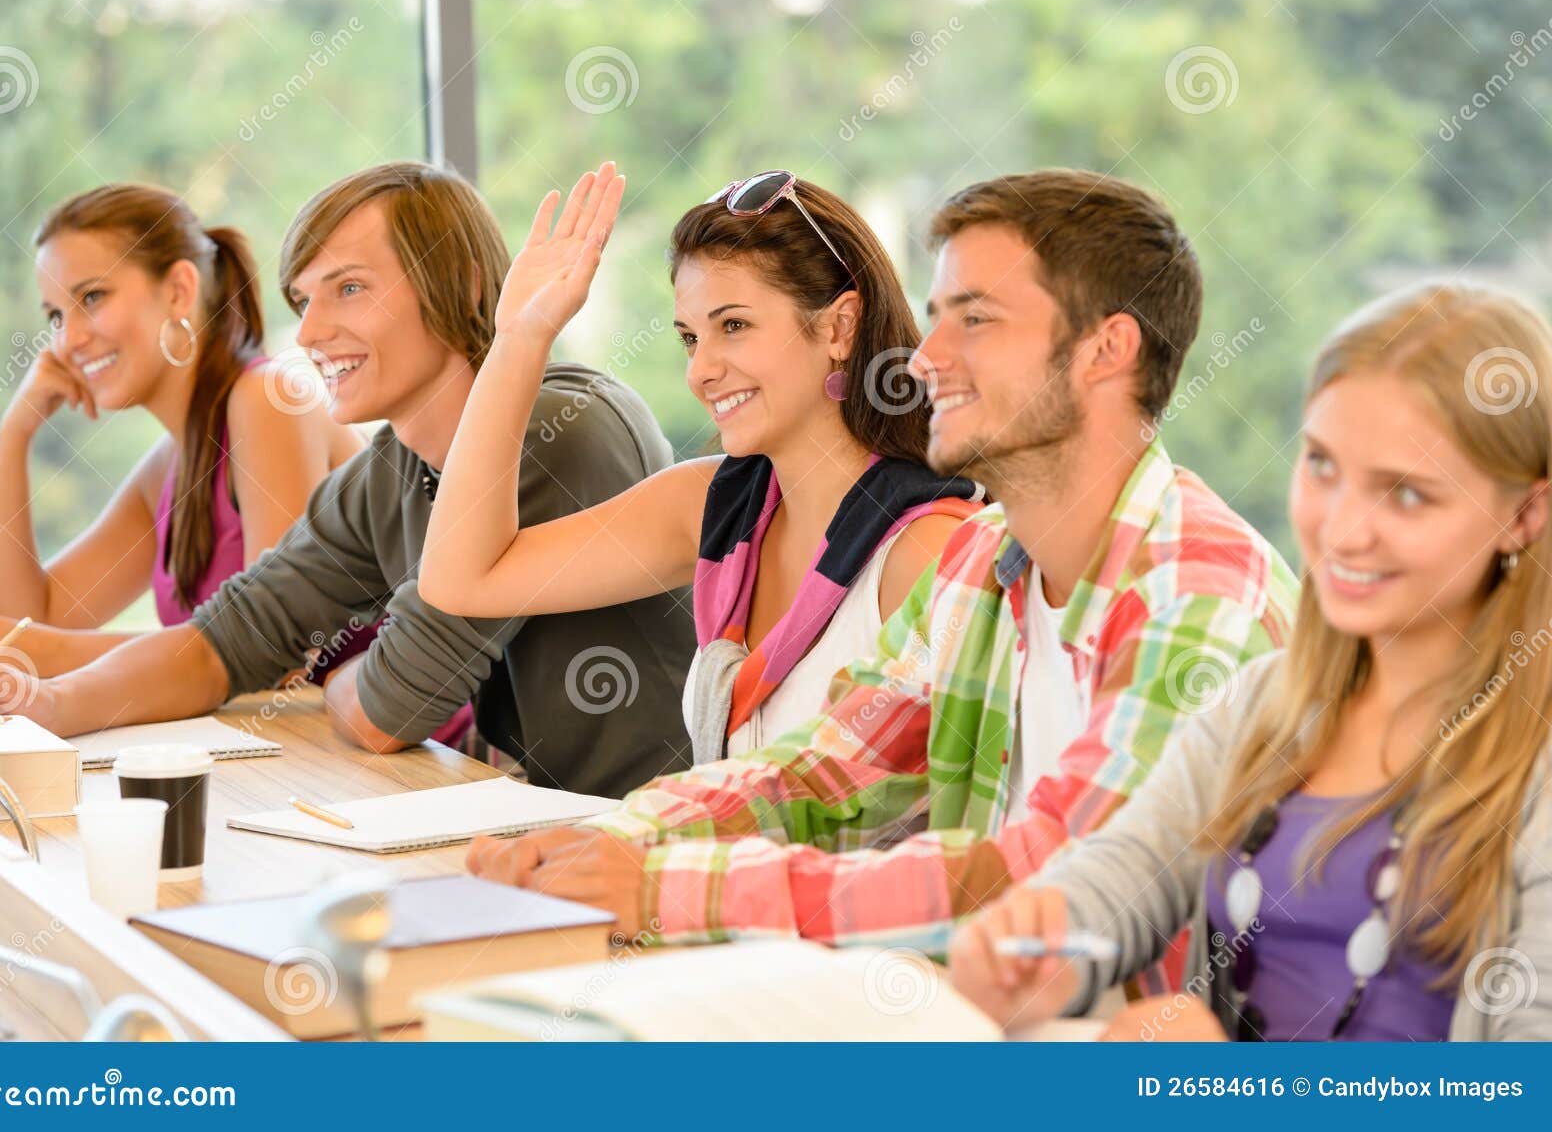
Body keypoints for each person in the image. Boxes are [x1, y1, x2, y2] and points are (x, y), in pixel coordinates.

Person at [466, 170, 1297, 978]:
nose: (926, 355)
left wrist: (663, 889)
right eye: (937, 318)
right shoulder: (983, 565)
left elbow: (1050, 885)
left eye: (976, 319)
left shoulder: (1196, 588)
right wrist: (620, 840)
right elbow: (826, 773)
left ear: (1107, 349)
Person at [950, 282, 1552, 1042]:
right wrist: (1043, 941)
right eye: (1324, 466)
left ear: (1526, 515)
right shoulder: (1260, 702)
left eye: (1405, 494)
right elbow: (1127, 869)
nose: (1343, 530)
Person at [0, 162, 694, 798]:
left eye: (349, 289)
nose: (308, 332)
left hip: (652, 844)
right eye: (304, 302)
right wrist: (48, 703)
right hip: (534, 833)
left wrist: (350, 684)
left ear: (462, 283)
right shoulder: (384, 474)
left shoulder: (563, 428)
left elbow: (393, 710)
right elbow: (221, 642)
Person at [420, 163, 981, 764]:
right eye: (690, 337)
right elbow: (459, 580)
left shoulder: (926, 552)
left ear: (840, 327)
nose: (700, 370)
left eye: (733, 326)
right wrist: (520, 339)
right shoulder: (714, 503)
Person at [0, 183, 364, 676]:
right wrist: (14, 435)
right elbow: (19, 624)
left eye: (92, 297)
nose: (67, 340)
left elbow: (275, 652)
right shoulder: (168, 469)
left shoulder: (268, 399)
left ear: (179, 290)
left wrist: (47, 652)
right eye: (55, 315)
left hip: (411, 752)